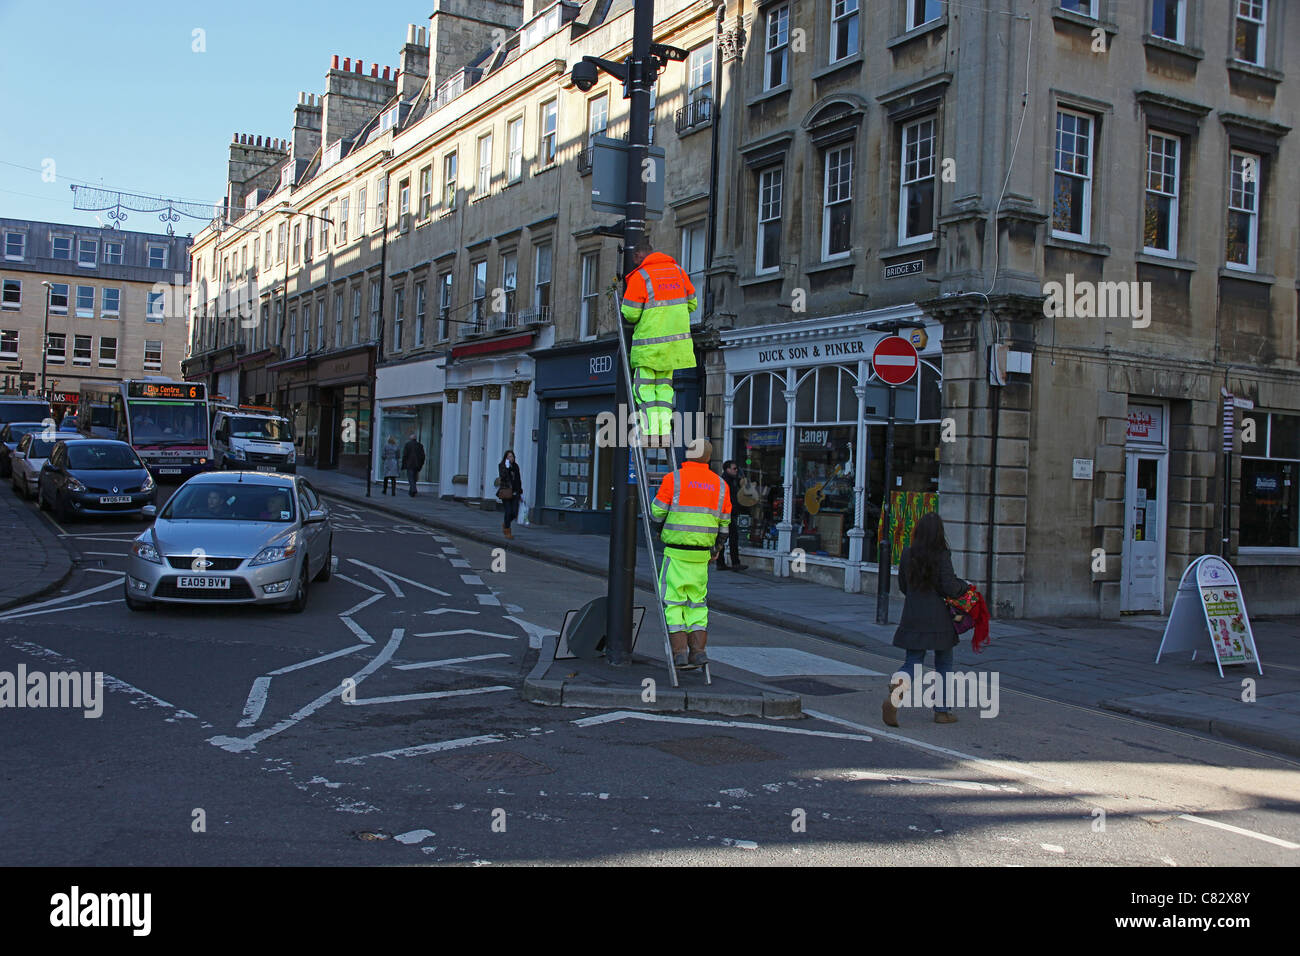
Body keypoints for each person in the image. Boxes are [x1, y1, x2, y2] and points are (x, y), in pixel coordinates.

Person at [882, 511, 969, 726]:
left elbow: (903, 584)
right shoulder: (942, 555)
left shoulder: (908, 553)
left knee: (912, 661)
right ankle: (942, 711)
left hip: (913, 615)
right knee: (944, 663)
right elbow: (949, 586)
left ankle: (899, 684)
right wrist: (964, 587)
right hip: (939, 618)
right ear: (940, 533)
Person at [649, 439, 730, 669]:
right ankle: (699, 651)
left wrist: (659, 530)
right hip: (701, 556)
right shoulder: (721, 486)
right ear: (708, 458)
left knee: (673, 603)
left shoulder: (673, 480)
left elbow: (656, 514)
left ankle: (680, 653)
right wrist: (716, 550)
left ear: (688, 454)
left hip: (676, 554)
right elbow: (724, 526)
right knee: (697, 604)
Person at [620, 238, 697, 442]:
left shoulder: (641, 276)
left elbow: (630, 313)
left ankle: (651, 430)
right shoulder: (679, 272)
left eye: (635, 258)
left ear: (638, 255)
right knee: (664, 389)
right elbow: (692, 304)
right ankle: (663, 428)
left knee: (643, 388)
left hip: (649, 346)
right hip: (674, 346)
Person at [715, 460, 747, 572]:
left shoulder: (732, 480)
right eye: (734, 468)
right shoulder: (724, 481)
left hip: (729, 512)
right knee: (730, 538)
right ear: (727, 469)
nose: (736, 470)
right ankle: (733, 563)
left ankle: (722, 562)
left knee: (728, 538)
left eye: (736, 468)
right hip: (725, 513)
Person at [497, 450, 523, 539]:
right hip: (506, 492)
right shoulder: (502, 466)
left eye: (511, 457)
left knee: (514, 512)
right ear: (505, 458)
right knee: (508, 512)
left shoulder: (516, 466)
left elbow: (518, 480)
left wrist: (520, 491)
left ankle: (505, 523)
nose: (510, 458)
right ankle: (507, 531)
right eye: (508, 457)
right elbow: (503, 477)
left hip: (515, 493)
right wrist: (507, 468)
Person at [400, 431, 425, 497]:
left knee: (411, 477)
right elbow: (423, 456)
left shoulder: (408, 445)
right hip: (417, 464)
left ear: (410, 438)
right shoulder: (420, 445)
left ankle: (413, 489)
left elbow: (405, 455)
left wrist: (404, 463)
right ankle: (411, 491)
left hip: (410, 464)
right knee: (414, 478)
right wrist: (421, 464)